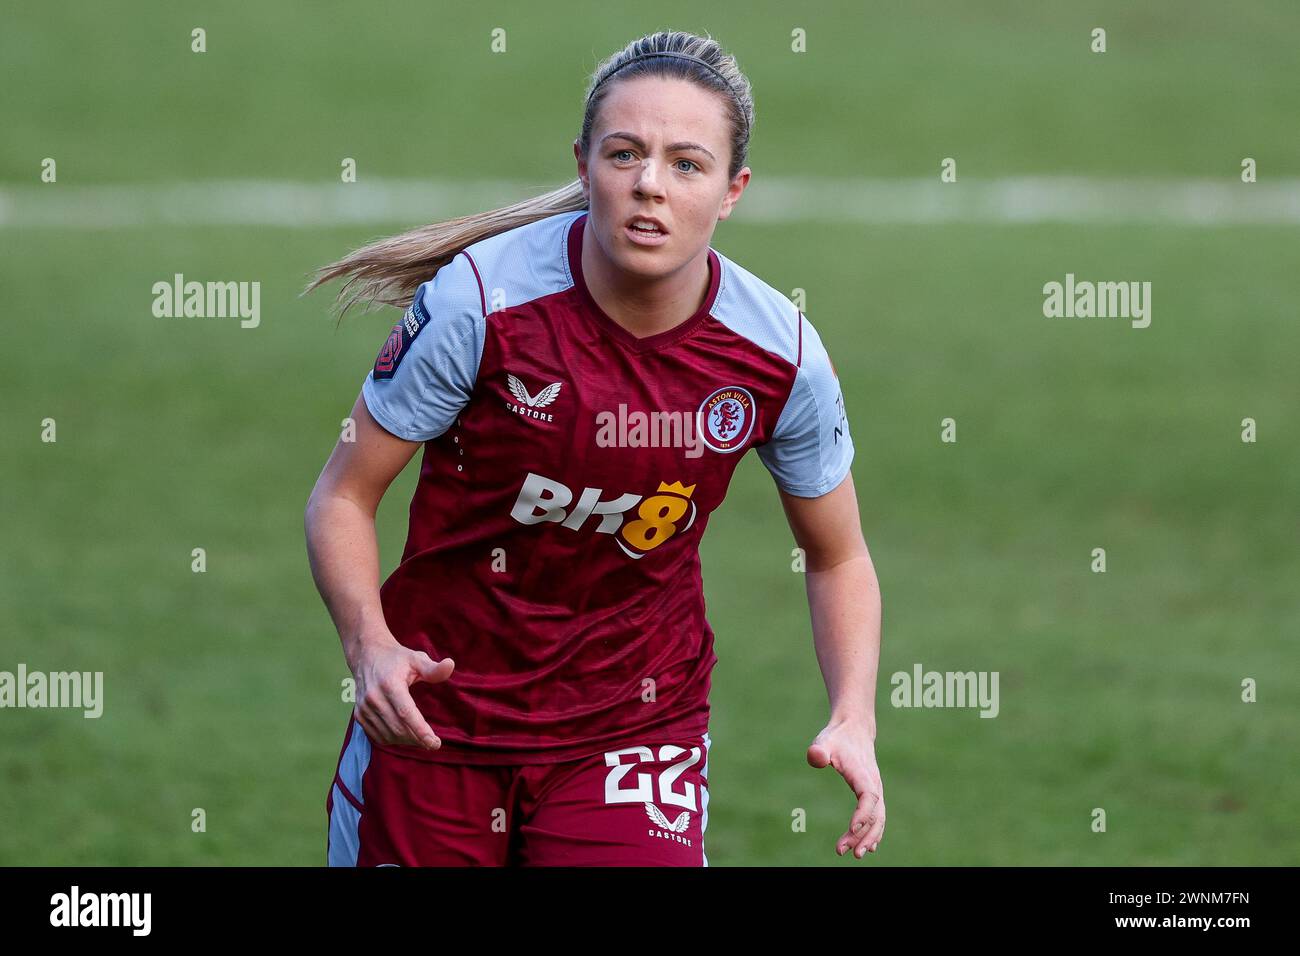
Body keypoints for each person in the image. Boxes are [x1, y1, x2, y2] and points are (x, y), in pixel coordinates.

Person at [304, 29, 884, 866]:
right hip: (437, 717)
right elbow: (344, 496)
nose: (650, 184)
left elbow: (836, 555)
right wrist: (370, 647)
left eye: (687, 164)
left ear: (733, 190)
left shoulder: (778, 355)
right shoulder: (480, 304)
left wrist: (854, 714)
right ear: (583, 165)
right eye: (625, 154)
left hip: (634, 728)